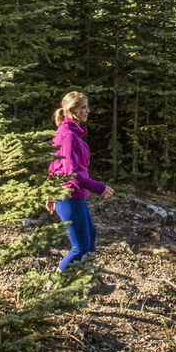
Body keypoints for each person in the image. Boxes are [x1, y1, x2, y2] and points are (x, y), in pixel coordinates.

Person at [46, 91, 114, 272]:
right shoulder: (68, 135)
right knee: (80, 246)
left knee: (91, 235)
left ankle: (90, 281)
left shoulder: (69, 133)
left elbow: (55, 165)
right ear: (71, 110)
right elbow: (71, 172)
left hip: (73, 194)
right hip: (68, 195)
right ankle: (54, 287)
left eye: (87, 106)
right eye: (83, 107)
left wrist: (49, 193)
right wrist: (99, 188)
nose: (88, 111)